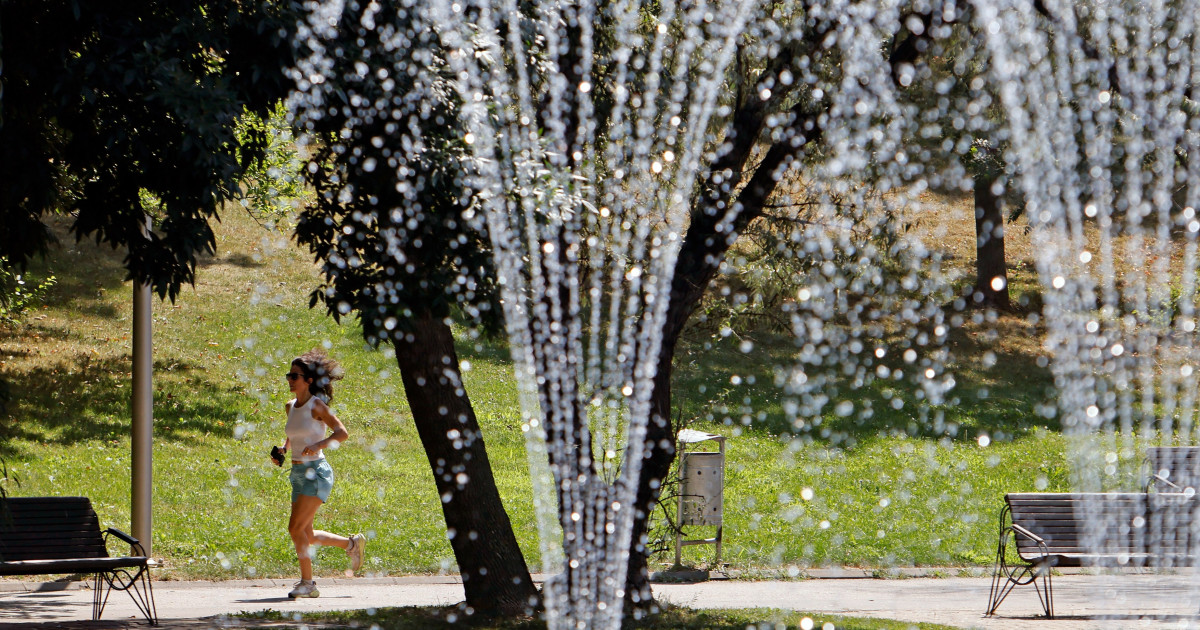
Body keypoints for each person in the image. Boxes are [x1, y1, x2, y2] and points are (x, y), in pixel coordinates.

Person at [272, 348, 365, 599]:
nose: (290, 380)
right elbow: (294, 434)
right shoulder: (290, 406)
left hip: (317, 473)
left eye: (295, 376)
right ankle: (352, 544)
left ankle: (307, 583)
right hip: (298, 473)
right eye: (289, 375)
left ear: (309, 380)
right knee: (307, 534)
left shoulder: (317, 406)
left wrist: (318, 445)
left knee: (295, 529)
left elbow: (342, 433)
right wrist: (284, 448)